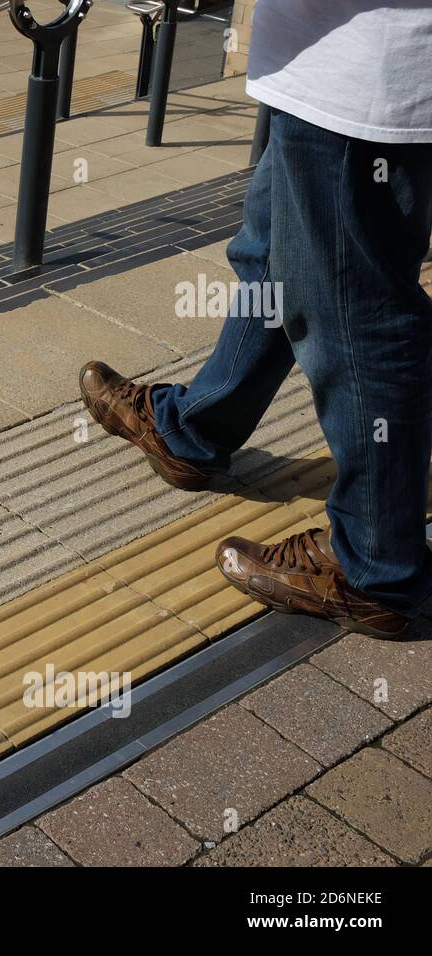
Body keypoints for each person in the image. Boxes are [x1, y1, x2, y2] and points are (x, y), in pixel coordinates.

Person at [80, 0, 432, 638]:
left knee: (358, 319)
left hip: (364, 76)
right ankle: (194, 431)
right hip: (330, 62)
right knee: (273, 260)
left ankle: (378, 570)